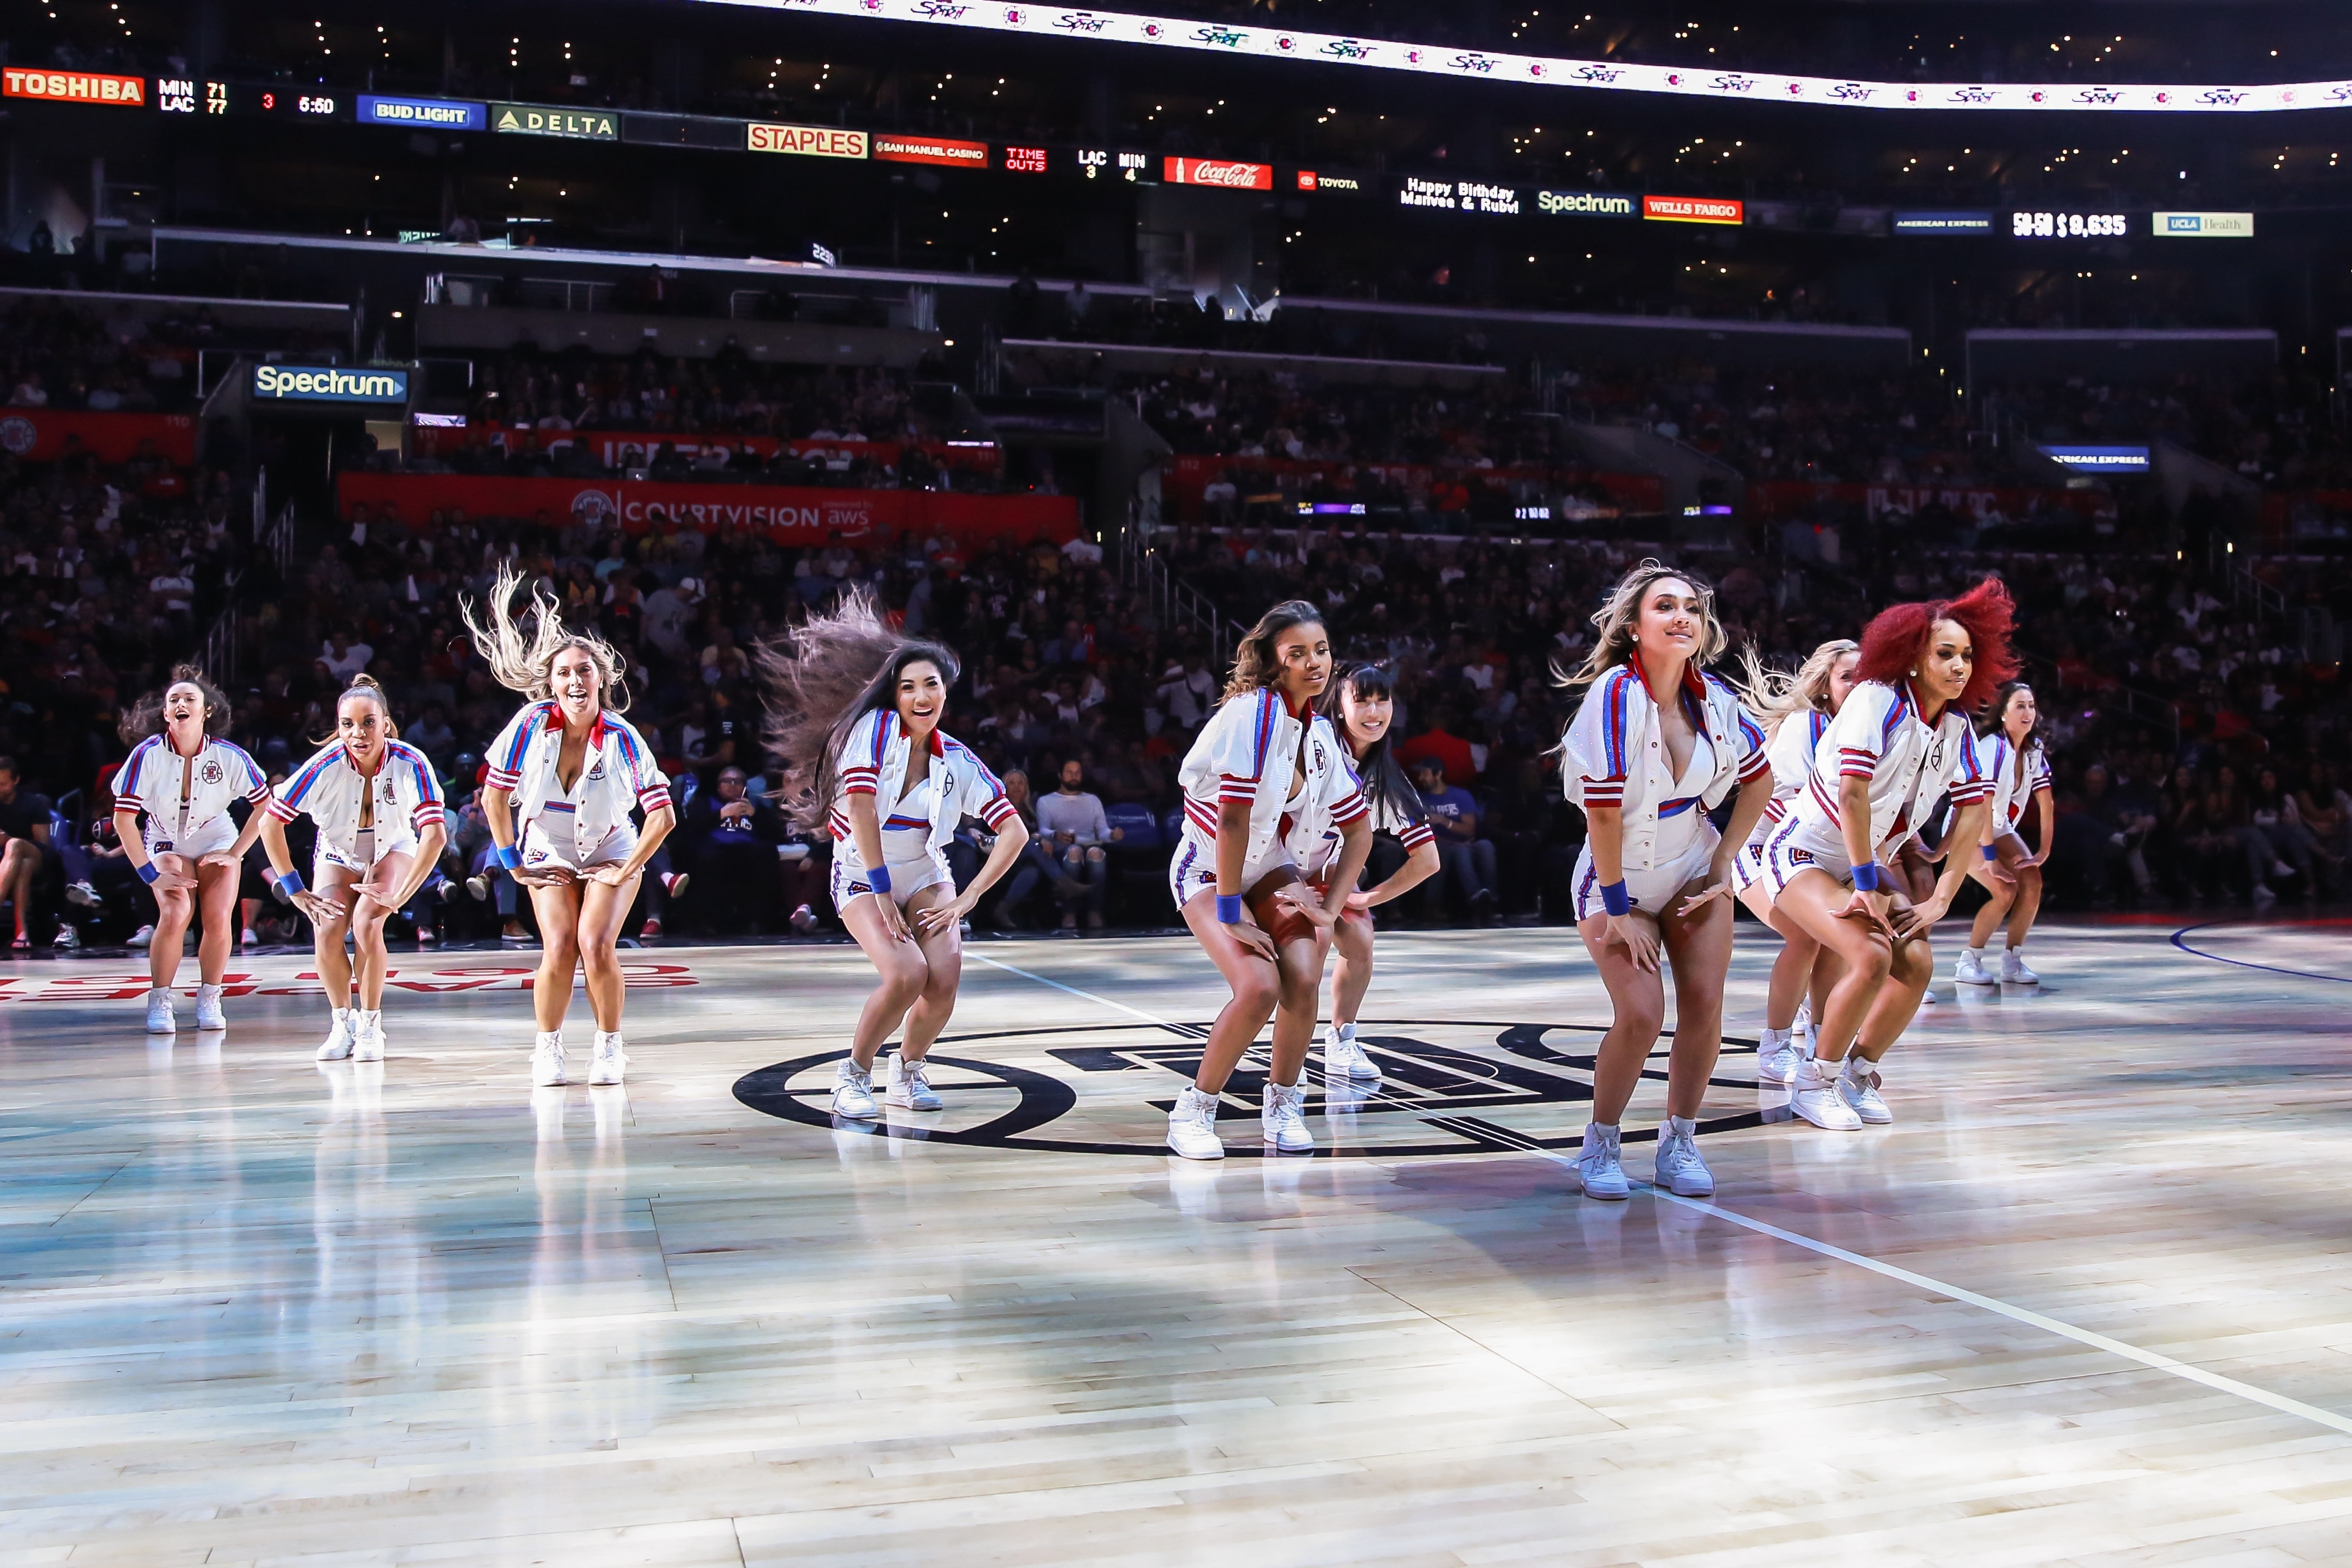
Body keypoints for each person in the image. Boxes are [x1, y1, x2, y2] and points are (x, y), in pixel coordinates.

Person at [1751, 579, 2012, 1133]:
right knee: (1870, 955)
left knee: (1917, 962)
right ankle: (1814, 1082)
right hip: (1802, 850)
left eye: (1967, 655)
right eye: (1945, 654)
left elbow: (1974, 810)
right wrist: (1868, 885)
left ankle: (1857, 1073)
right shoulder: (1876, 699)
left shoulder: (1957, 726)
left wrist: (1942, 898)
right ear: (1913, 658)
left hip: (1862, 861)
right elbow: (1852, 795)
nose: (1959, 666)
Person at [762, 591, 1030, 1119]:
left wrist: (970, 898)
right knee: (908, 975)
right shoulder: (873, 731)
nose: (921, 695)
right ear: (895, 695)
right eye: (908, 686)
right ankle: (853, 1075)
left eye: (931, 684)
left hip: (927, 873)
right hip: (863, 874)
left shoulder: (959, 759)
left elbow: (1015, 831)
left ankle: (907, 1070)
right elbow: (861, 808)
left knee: (944, 980)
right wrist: (883, 893)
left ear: (945, 691)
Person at [1556, 562, 1773, 1199]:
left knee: (1705, 1006)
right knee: (1642, 1015)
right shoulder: (1614, 694)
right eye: (1665, 606)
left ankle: (1680, 1140)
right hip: (1614, 876)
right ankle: (1601, 1142)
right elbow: (1601, 813)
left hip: (1692, 865)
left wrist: (1725, 860)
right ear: (1634, 627)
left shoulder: (1716, 700)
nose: (1683, 617)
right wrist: (1620, 908)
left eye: (1692, 608)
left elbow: (1760, 778)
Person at [1164, 601, 1371, 1160]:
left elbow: (1360, 831)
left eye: (1321, 650)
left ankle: (1283, 1106)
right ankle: (1194, 1110)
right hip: (1208, 867)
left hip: (1268, 865)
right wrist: (1231, 911)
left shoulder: (1320, 734)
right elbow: (1231, 821)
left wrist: (1330, 908)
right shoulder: (1252, 713)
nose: (1314, 662)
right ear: (1274, 663)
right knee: (1259, 987)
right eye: (1297, 654)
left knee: (1303, 974)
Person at [466, 565, 677, 1089]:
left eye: (584, 671)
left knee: (596, 943)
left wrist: (626, 870)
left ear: (601, 678)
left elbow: (663, 816)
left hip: (612, 846)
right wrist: (513, 863)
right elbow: (494, 798)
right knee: (560, 945)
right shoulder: (529, 725)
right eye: (564, 673)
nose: (575, 681)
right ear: (552, 682)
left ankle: (609, 1047)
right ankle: (548, 1048)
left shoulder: (623, 737)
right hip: (548, 844)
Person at [257, 676, 449, 1063]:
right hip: (338, 851)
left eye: (368, 722)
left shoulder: (411, 761)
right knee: (327, 928)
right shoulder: (323, 765)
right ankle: (341, 1023)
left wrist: (400, 897)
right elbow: (269, 823)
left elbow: (435, 836)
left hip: (393, 847)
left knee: (367, 923)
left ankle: (371, 1024)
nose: (358, 733)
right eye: (348, 724)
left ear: (386, 724)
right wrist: (295, 890)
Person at [1288, 661, 1439, 1085]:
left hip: (1328, 867)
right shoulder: (1314, 741)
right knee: (1315, 941)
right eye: (1362, 700)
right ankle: (1290, 1052)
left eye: (1382, 700)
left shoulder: (1386, 776)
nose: (1374, 712)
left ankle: (1341, 1040)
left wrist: (1364, 898)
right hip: (1276, 864)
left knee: (1359, 938)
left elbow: (1428, 860)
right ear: (1339, 704)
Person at [1731, 638, 1860, 1087]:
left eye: (1865, 677)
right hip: (1761, 848)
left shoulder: (1867, 731)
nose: (1858, 684)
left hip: (1815, 855)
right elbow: (1810, 811)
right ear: (1825, 685)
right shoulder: (1805, 724)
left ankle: (1823, 1043)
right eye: (1847, 676)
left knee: (1835, 938)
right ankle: (1775, 1046)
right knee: (1805, 937)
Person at [112, 668, 270, 1034]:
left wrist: (235, 853)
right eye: (174, 700)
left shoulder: (230, 755)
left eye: (189, 699)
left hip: (216, 835)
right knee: (175, 911)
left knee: (217, 918)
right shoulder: (146, 755)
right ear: (166, 713)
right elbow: (123, 821)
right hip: (165, 836)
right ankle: (160, 1000)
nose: (181, 704)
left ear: (206, 710)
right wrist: (150, 874)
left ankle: (210, 996)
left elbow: (265, 806)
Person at [1956, 681, 2054, 987]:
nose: (2028, 712)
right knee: (2004, 891)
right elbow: (1982, 805)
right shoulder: (1993, 747)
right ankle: (1968, 961)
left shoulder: (2033, 751)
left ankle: (2013, 960)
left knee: (2032, 882)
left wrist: (2044, 851)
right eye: (2020, 706)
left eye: (2031, 706)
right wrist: (1990, 857)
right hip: (1967, 828)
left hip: (1999, 827)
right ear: (2003, 713)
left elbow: (2046, 802)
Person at [1035, 758, 1122, 930]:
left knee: (1096, 853)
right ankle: (1069, 913)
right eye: (1069, 772)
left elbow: (1103, 831)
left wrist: (1112, 835)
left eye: (1077, 772)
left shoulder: (1092, 800)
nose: (1074, 776)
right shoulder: (1046, 801)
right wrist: (1056, 835)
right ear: (1060, 775)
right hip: (1061, 849)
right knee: (1074, 852)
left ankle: (1094, 911)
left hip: (1090, 845)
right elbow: (1043, 829)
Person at [1410, 756, 1498, 923]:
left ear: (1438, 774)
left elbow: (1470, 830)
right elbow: (1421, 832)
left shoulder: (1460, 795)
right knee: (1459, 850)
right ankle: (1475, 896)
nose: (1420, 778)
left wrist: (1445, 821)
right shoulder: (1419, 800)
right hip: (1440, 844)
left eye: (1424, 773)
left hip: (1467, 842)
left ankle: (1491, 900)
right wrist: (1449, 840)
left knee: (1486, 846)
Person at [0, 756, 54, 950]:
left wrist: (8, 840)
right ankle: (21, 931)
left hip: (37, 857)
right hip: (12, 863)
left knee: (15, 845)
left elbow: (43, 846)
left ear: (16, 780)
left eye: (3, 784)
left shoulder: (33, 803)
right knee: (24, 865)